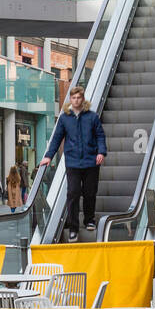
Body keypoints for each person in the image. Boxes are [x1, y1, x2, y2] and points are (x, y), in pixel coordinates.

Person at [40, 84, 107, 242]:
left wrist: (101, 152)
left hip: (91, 162)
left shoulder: (92, 117)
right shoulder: (64, 118)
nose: (76, 100)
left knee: (90, 193)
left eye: (79, 98)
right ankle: (73, 228)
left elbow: (100, 136)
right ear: (70, 99)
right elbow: (57, 138)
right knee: (73, 194)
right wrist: (49, 156)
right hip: (73, 163)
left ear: (83, 99)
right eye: (74, 98)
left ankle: (89, 220)